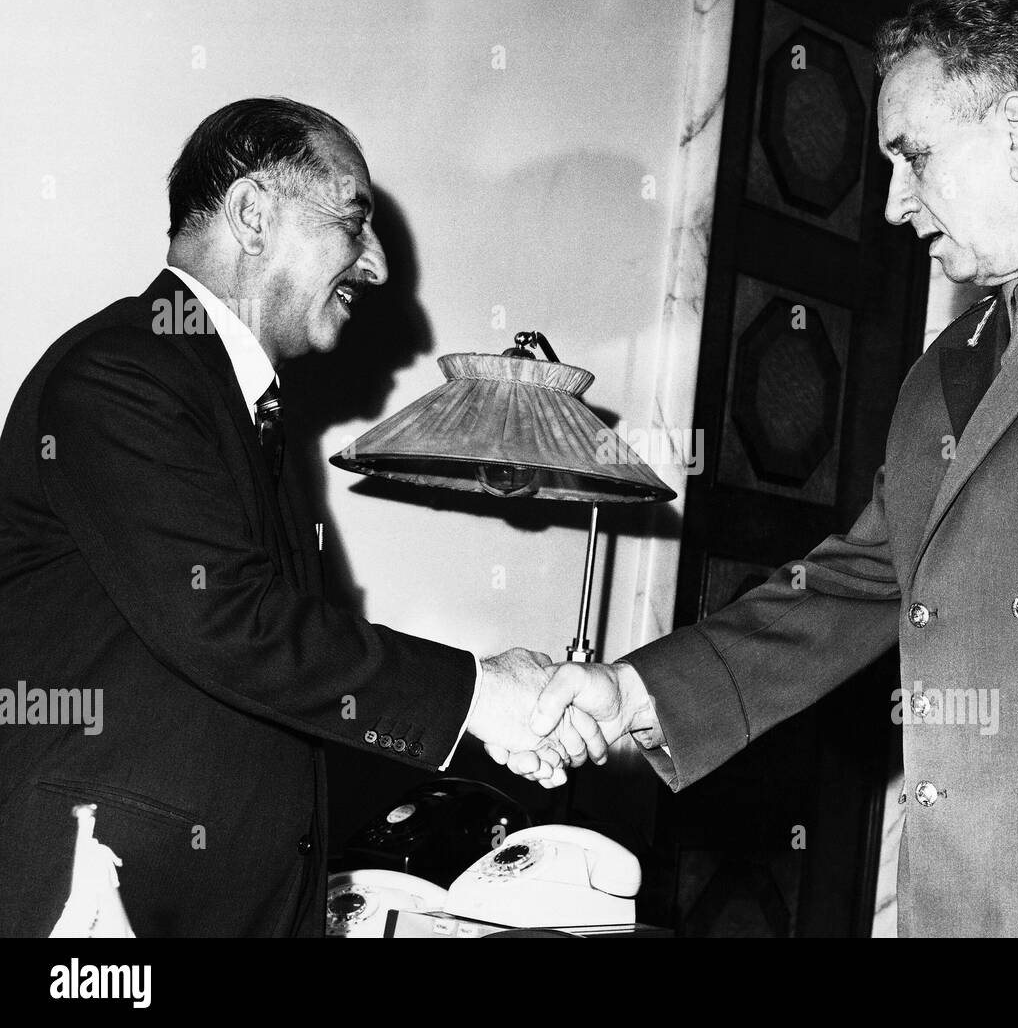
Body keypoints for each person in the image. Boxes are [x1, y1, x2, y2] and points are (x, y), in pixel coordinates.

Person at [512, 0, 1018, 938]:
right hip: (970, 902)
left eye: (912, 157)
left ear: (1014, 132)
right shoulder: (946, 368)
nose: (891, 203)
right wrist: (634, 689)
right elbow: (858, 581)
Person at [0, 97, 586, 937]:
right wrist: (481, 692)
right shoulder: (123, 372)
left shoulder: (245, 409)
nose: (377, 266)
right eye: (355, 222)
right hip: (102, 906)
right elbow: (230, 621)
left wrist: (479, 736)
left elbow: (282, 677)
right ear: (251, 214)